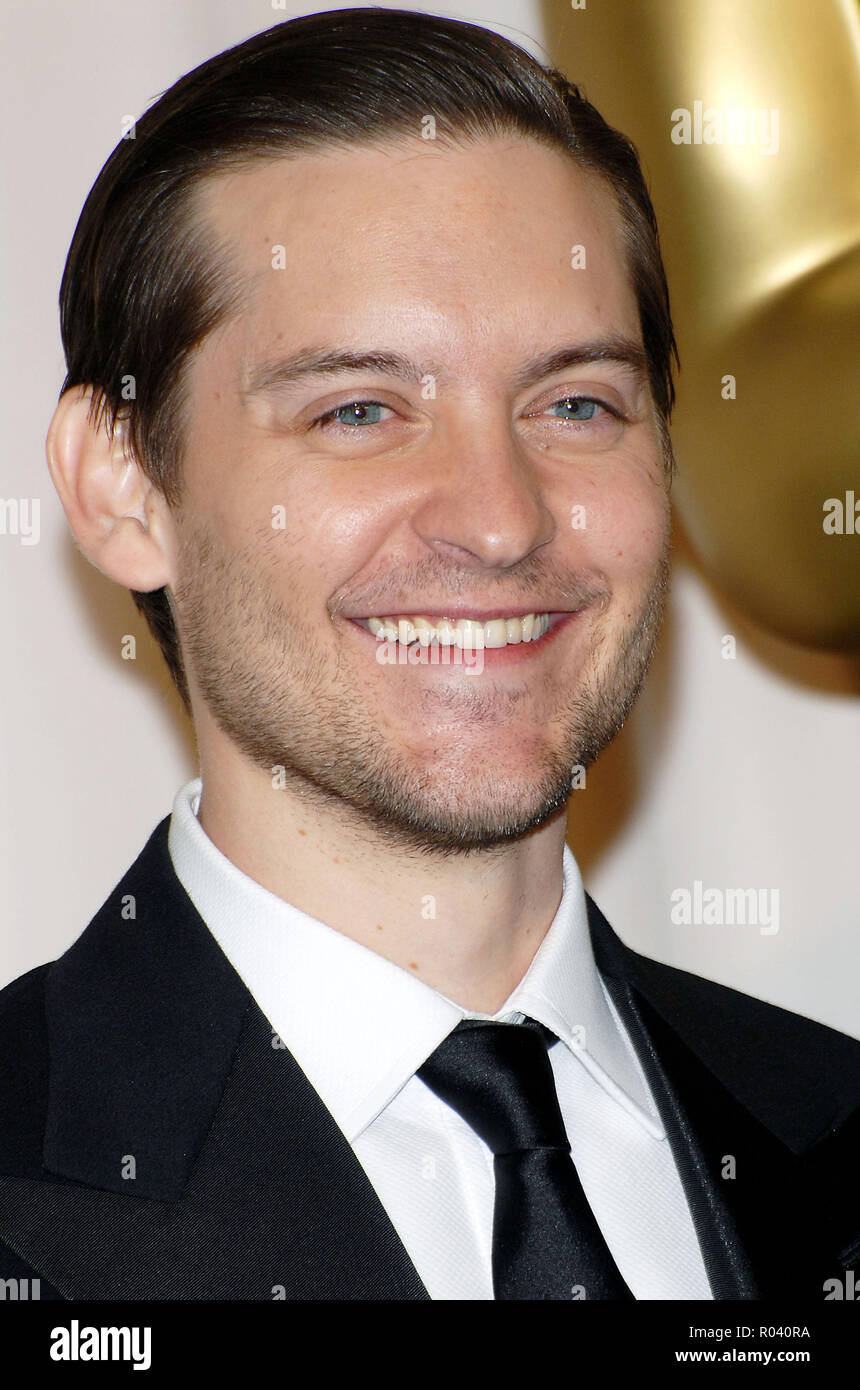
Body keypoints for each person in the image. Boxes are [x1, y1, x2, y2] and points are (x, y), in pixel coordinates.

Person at [0, 7, 857, 1302]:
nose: (502, 516)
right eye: (360, 409)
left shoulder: (832, 1120)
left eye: (575, 401)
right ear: (122, 486)